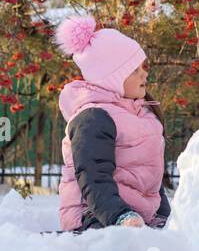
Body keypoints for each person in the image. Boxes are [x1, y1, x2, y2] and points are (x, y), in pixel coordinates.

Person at [53, 14, 171, 232]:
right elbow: (93, 177)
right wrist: (119, 216)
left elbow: (150, 174)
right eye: (134, 70)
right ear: (112, 78)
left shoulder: (143, 114)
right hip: (94, 215)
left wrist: (163, 214)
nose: (144, 74)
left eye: (142, 67)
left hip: (136, 217)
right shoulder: (94, 118)